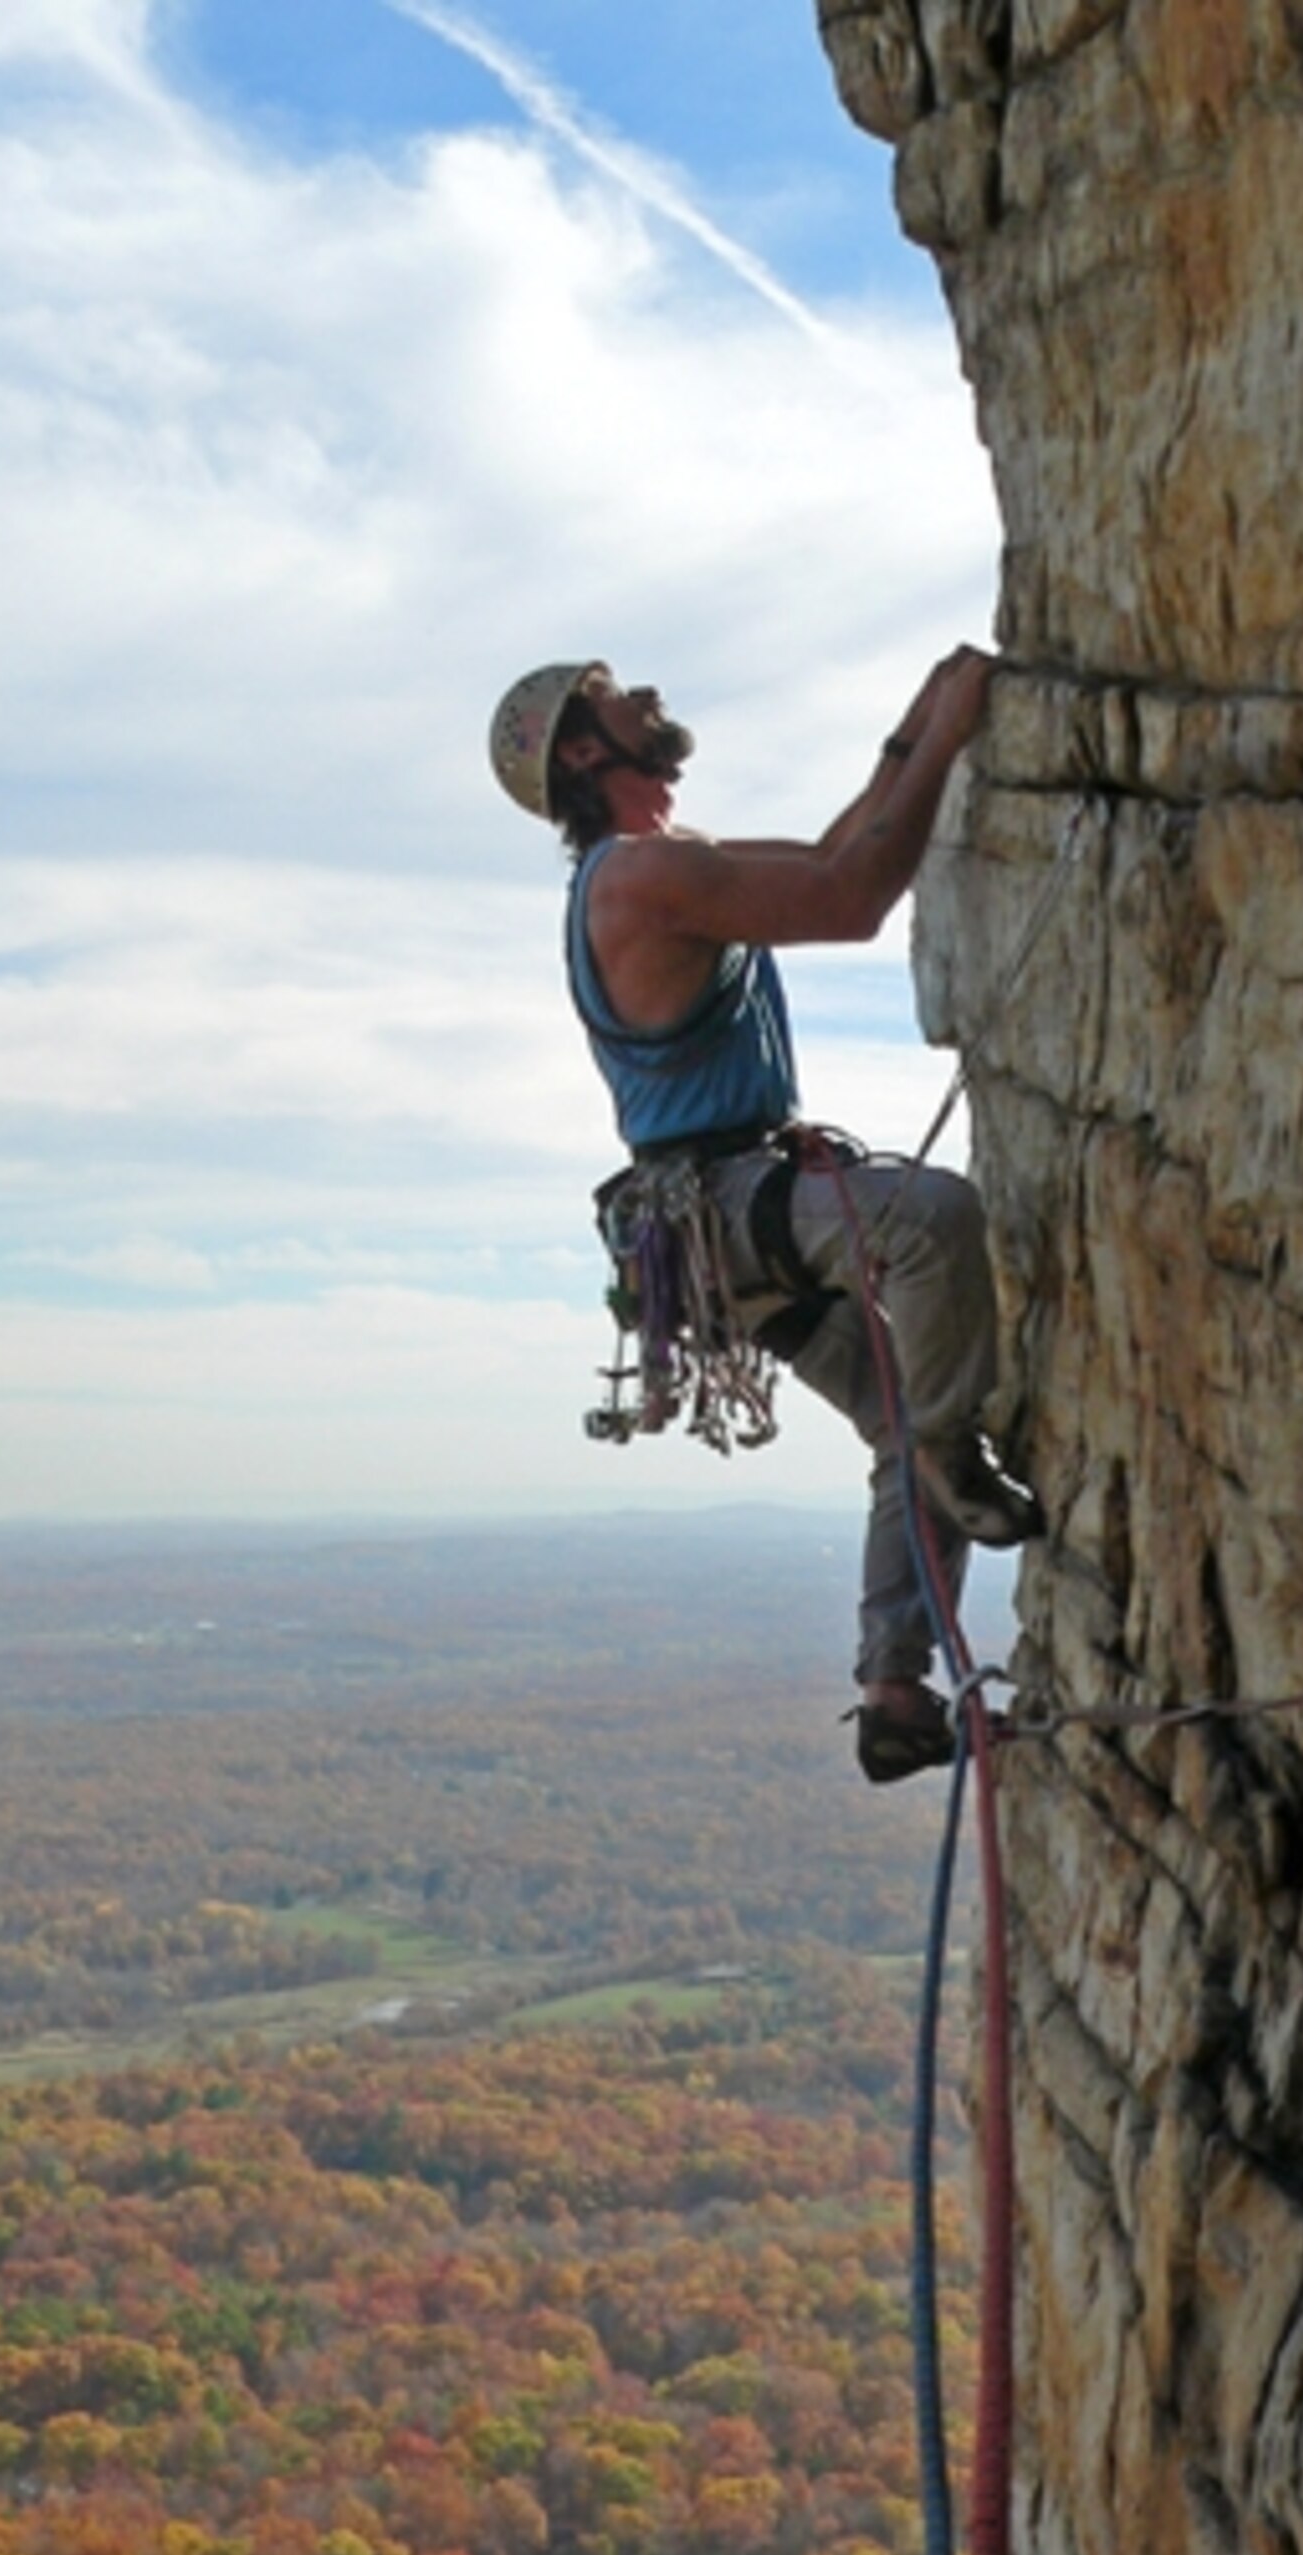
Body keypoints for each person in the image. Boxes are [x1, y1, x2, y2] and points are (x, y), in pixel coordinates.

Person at [487, 648, 1040, 1784]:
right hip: (725, 1204)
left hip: (713, 1227)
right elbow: (851, 896)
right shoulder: (636, 880)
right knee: (930, 1225)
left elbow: (839, 851)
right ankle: (948, 1454)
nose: (641, 696)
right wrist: (948, 735)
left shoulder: (661, 866)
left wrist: (917, 726)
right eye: (611, 695)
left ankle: (895, 1687)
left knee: (901, 1417)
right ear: (584, 750)